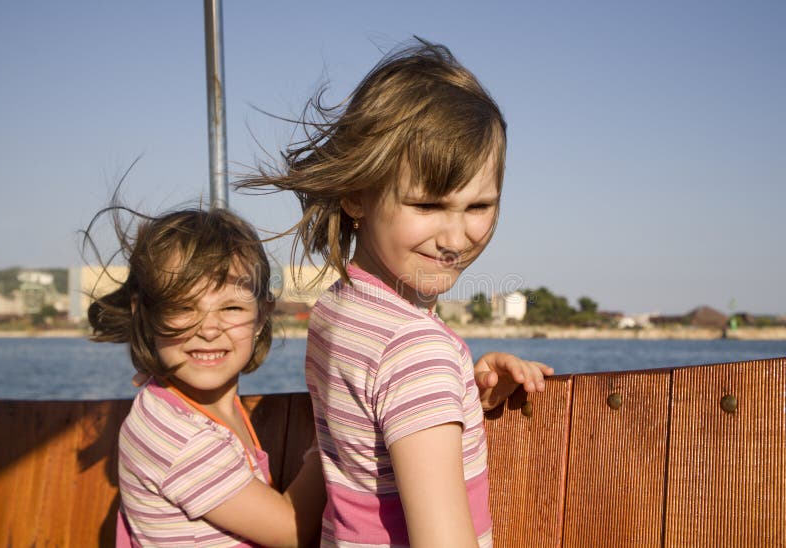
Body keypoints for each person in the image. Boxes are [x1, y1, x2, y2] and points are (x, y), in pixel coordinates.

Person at [238, 38, 554, 547]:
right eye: (428, 206)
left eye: (479, 207)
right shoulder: (416, 351)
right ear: (356, 195)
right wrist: (435, 376)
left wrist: (461, 392)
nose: (456, 238)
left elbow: (372, 435)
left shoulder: (337, 310)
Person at [87, 207, 325, 547]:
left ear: (261, 317)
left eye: (231, 308)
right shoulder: (173, 433)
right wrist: (333, 440)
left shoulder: (201, 413)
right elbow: (289, 530)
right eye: (184, 307)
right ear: (146, 313)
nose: (209, 329)